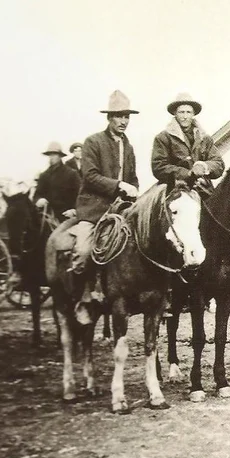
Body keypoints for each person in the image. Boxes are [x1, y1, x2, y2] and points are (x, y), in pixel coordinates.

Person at [69, 90, 140, 324]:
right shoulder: (93, 142)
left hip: (122, 209)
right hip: (94, 207)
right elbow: (89, 176)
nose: (123, 121)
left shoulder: (128, 147)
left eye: (127, 116)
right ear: (109, 118)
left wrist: (135, 192)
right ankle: (84, 298)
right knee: (83, 251)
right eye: (119, 116)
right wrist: (119, 185)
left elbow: (133, 178)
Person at [150, 92, 225, 194]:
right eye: (181, 112)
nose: (185, 116)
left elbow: (218, 163)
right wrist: (188, 173)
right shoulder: (163, 137)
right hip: (175, 191)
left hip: (203, 189)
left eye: (188, 112)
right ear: (175, 113)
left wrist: (204, 166)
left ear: (193, 114)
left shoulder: (205, 138)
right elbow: (159, 167)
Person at [34, 141, 80, 221]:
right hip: (47, 216)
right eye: (49, 155)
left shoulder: (71, 174)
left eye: (54, 154)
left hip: (67, 216)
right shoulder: (44, 175)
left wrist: (74, 210)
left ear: (60, 156)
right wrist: (39, 200)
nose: (51, 157)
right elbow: (37, 194)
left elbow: (81, 195)